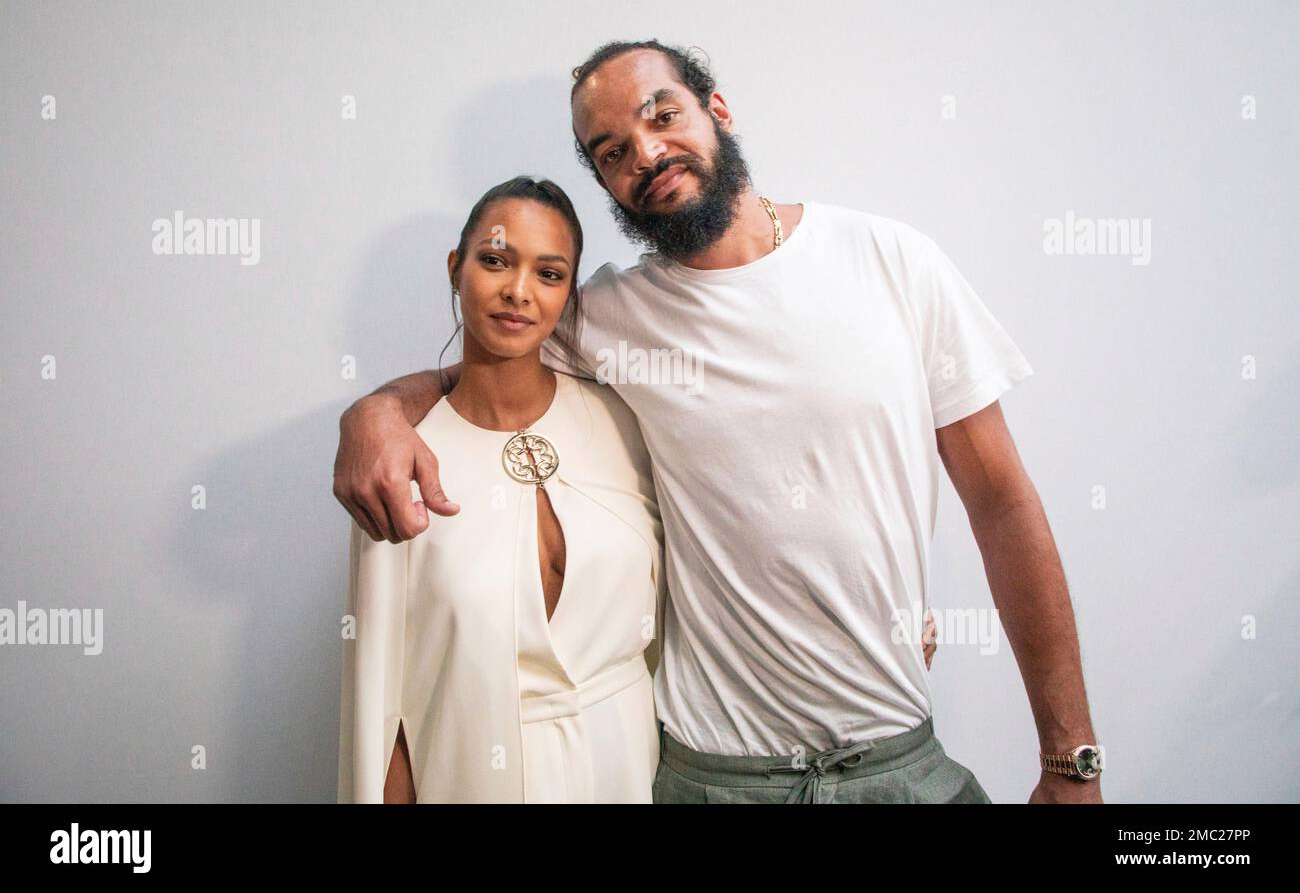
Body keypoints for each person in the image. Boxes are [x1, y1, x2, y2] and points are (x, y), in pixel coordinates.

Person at [334, 40, 1103, 804]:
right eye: (611, 151)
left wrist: (1071, 757)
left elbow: (1002, 503)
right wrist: (376, 412)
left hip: (895, 758)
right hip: (712, 776)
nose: (646, 152)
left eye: (662, 115)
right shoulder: (604, 315)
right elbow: (489, 359)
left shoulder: (891, 261)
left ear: (718, 111)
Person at [337, 176, 666, 803]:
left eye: (549, 274)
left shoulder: (623, 422)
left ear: (570, 293)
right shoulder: (396, 457)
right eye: (495, 261)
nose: (519, 292)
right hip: (471, 771)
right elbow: (383, 696)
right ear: (457, 268)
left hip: (628, 763)